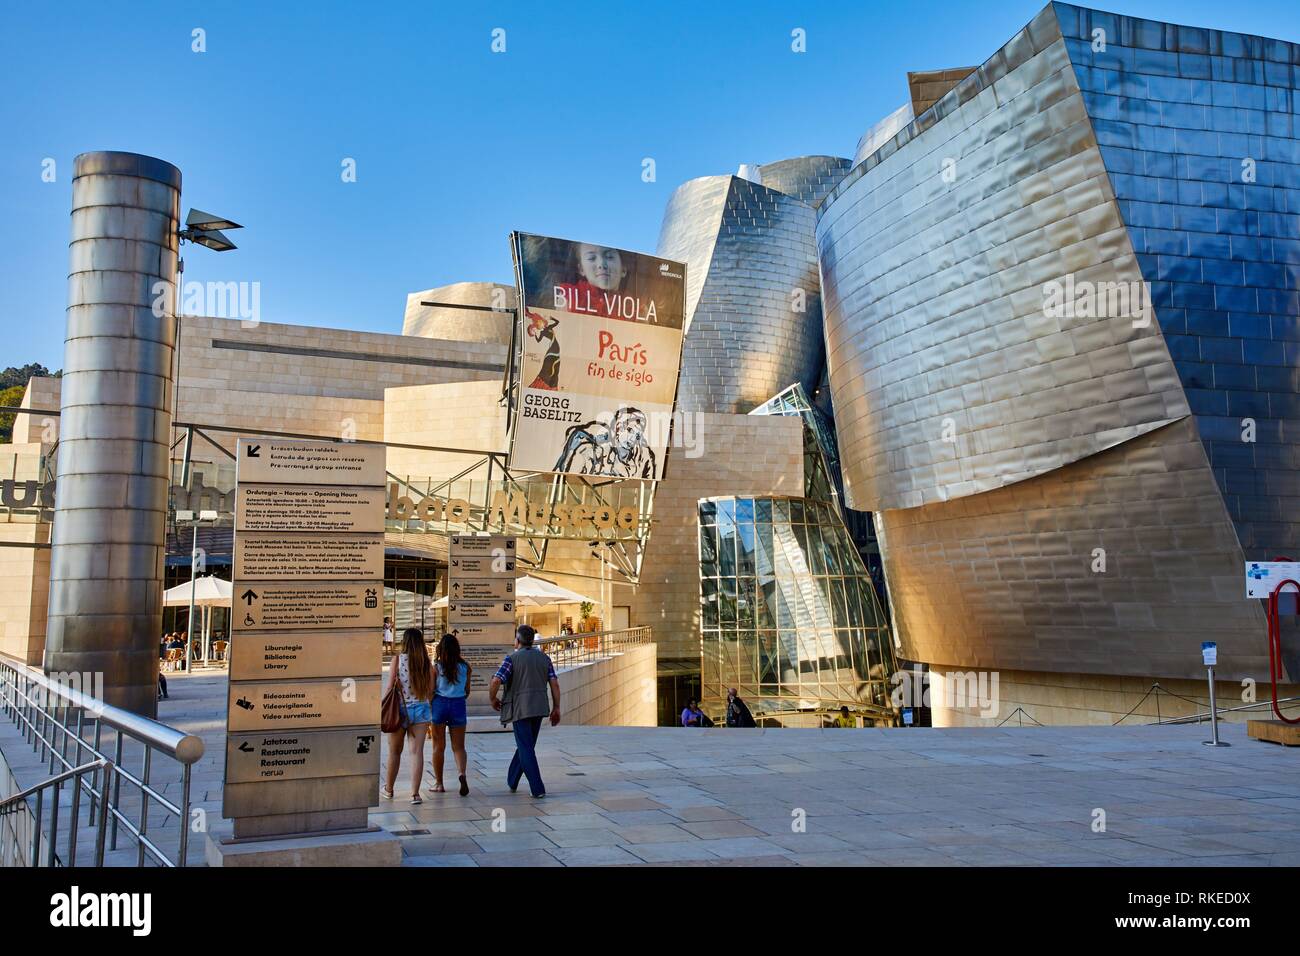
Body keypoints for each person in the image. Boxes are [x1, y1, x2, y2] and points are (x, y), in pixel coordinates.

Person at [488, 624, 561, 799]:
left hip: (520, 709)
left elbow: (496, 680)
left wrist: (492, 699)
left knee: (526, 747)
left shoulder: (511, 659)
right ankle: (512, 779)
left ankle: (538, 788)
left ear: (517, 641)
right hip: (539, 707)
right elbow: (554, 684)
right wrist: (557, 707)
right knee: (527, 745)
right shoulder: (544, 658)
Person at [382, 627, 433, 804]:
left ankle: (389, 790)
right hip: (421, 709)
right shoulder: (426, 662)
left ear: (404, 641)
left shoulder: (397, 660)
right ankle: (415, 794)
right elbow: (430, 691)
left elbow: (390, 687)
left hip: (399, 710)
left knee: (394, 752)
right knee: (416, 752)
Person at [431, 633, 473, 796]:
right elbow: (467, 691)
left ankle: (439, 783)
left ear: (441, 649)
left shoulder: (437, 667)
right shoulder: (465, 667)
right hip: (458, 704)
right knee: (459, 747)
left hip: (440, 703)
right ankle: (461, 773)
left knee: (438, 746)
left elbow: (430, 690)